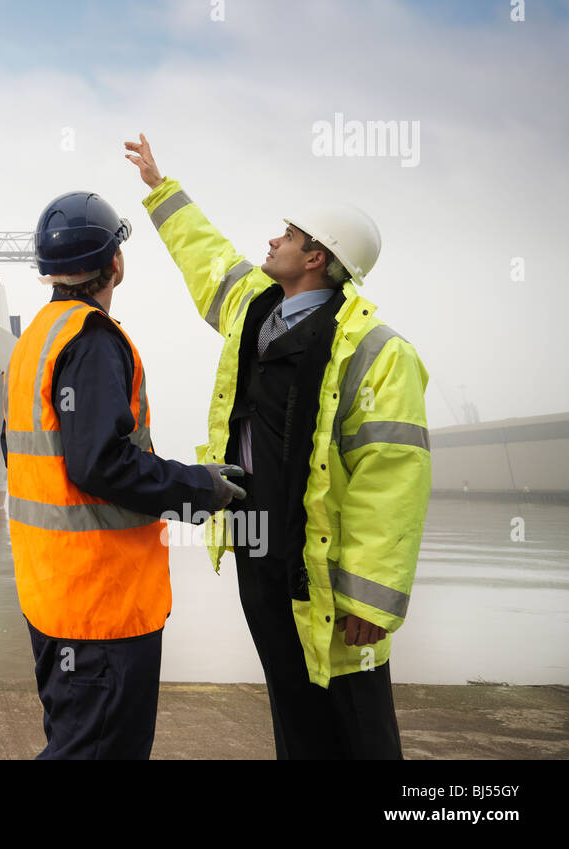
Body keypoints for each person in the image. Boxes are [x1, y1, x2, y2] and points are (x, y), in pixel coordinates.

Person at [125, 133, 431, 759]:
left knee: (357, 714)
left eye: (287, 235)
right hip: (255, 541)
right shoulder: (252, 311)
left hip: (323, 560)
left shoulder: (377, 352)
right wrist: (162, 190)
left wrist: (370, 594)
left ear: (317, 257)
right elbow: (206, 256)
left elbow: (392, 476)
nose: (272, 241)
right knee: (290, 697)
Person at [1, 190, 246, 760]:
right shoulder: (90, 341)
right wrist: (198, 488)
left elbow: (22, 455)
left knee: (75, 742)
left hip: (52, 593)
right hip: (101, 606)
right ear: (116, 263)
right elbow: (99, 463)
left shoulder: (32, 341)